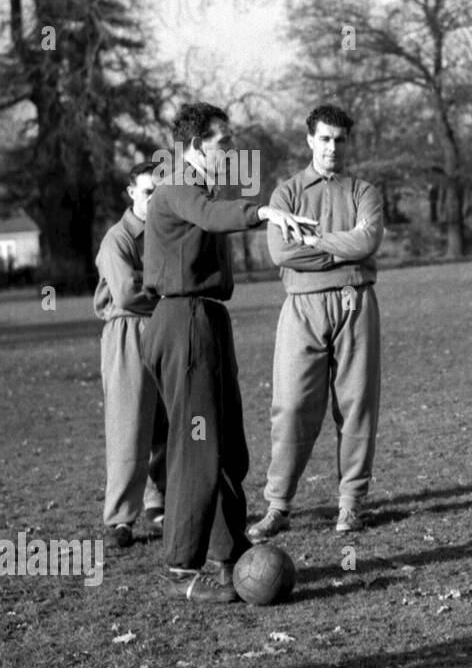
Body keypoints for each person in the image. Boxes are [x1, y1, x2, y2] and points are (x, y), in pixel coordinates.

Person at [143, 102, 316, 603]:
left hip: (208, 319)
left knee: (228, 445)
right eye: (223, 140)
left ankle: (227, 553)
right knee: (196, 448)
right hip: (183, 322)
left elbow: (212, 213)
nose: (231, 147)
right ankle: (181, 567)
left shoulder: (202, 188)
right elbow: (210, 217)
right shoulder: (178, 186)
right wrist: (264, 210)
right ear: (197, 146)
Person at [248, 105, 383, 541]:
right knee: (290, 407)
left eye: (340, 140)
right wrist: (341, 249)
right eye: (324, 138)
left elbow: (367, 241)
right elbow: (282, 253)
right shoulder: (285, 194)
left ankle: (350, 505)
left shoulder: (364, 192)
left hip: (355, 302)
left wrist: (313, 240)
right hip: (301, 307)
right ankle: (278, 505)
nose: (332, 147)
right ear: (309, 140)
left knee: (355, 405)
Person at [94, 162, 167, 549]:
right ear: (132, 193)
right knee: (129, 426)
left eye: (160, 192)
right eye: (148, 193)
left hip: (164, 328)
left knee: (167, 422)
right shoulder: (117, 239)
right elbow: (127, 294)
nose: (154, 200)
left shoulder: (166, 232)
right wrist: (170, 288)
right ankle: (120, 519)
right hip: (127, 332)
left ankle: (159, 505)